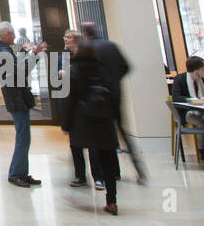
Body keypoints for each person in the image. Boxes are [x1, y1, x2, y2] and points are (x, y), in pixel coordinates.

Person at [61, 39, 121, 215]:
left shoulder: (74, 71)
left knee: (77, 150)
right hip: (104, 120)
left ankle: (81, 177)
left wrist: (66, 123)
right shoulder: (103, 70)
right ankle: (111, 200)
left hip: (84, 121)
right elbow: (114, 94)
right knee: (107, 160)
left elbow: (69, 100)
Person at [80, 22, 144, 183]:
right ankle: (136, 170)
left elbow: (84, 74)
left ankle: (102, 175)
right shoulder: (111, 46)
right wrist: (113, 81)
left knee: (97, 137)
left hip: (98, 99)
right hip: (115, 95)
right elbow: (126, 66)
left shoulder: (88, 48)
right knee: (120, 133)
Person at [0, 21, 47, 188]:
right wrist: (35, 54)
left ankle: (21, 172)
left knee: (24, 137)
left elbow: (16, 66)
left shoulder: (4, 50)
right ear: (6, 35)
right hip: (16, 97)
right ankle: (16, 173)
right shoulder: (3, 51)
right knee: (23, 138)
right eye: (12, 34)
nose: (15, 36)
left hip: (16, 96)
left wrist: (26, 52)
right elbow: (20, 71)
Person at [62, 32, 103, 190]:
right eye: (65, 38)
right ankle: (81, 175)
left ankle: (98, 177)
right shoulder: (66, 59)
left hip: (88, 108)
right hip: (78, 109)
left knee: (93, 145)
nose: (66, 41)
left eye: (69, 38)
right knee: (76, 145)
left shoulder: (91, 64)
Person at [170, 56, 204, 162]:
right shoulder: (180, 79)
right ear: (197, 70)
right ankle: (202, 151)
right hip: (187, 113)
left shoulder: (203, 81)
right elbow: (176, 97)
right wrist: (197, 100)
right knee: (203, 123)